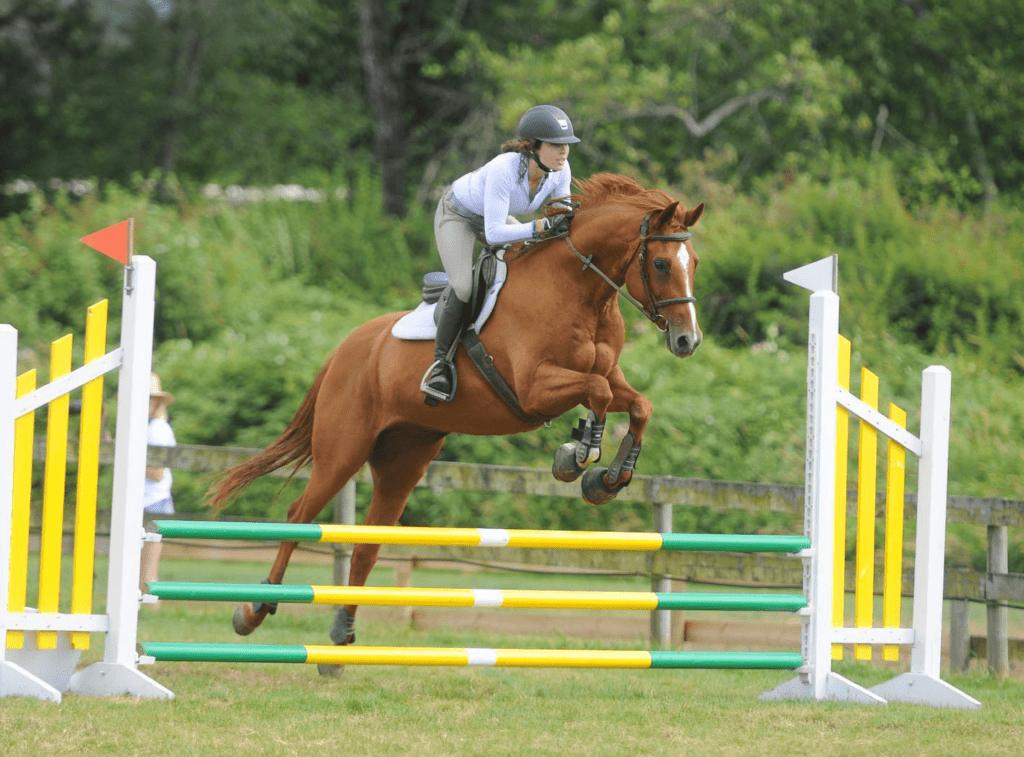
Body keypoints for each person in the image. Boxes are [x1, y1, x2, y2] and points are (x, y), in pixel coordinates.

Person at [422, 104, 581, 404]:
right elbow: (495, 234)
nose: (563, 153)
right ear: (533, 147)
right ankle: (440, 365)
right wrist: (540, 227)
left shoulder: (560, 171)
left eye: (567, 147)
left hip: (495, 218)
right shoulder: (503, 168)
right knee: (464, 287)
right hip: (459, 216)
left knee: (529, 262)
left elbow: (561, 221)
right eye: (556, 146)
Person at [140, 372, 177, 598]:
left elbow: (156, 472)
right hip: (152, 502)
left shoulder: (157, 429)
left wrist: (131, 457)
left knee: (148, 573)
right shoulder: (152, 427)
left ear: (155, 403)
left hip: (154, 502)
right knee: (142, 571)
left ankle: (152, 610)